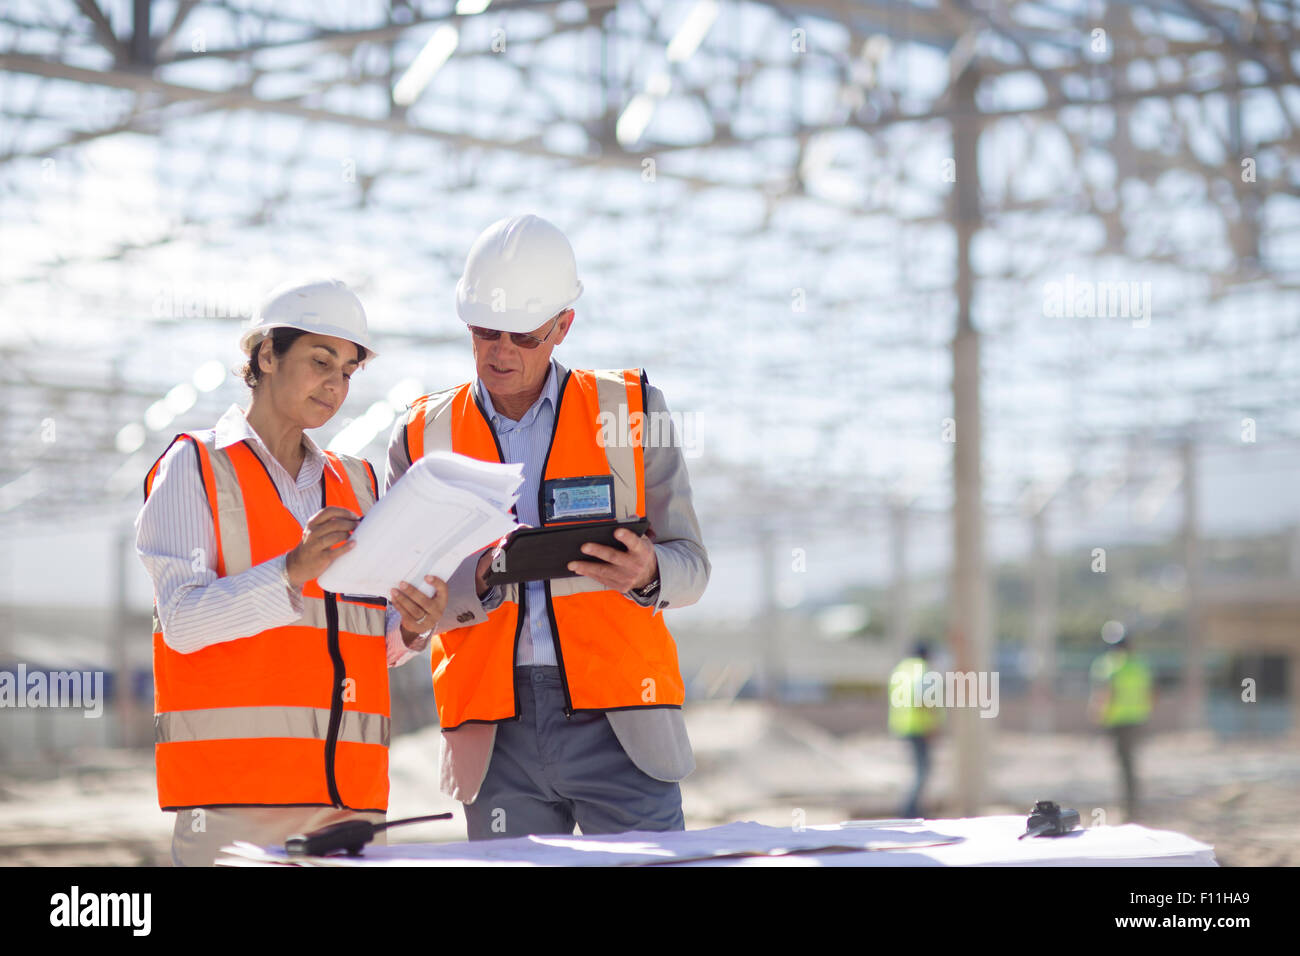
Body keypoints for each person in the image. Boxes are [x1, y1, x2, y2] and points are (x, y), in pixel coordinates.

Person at [386, 214, 710, 839]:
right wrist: (478, 580)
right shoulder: (421, 436)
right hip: (493, 734)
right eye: (485, 332)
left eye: (524, 336)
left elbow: (692, 567)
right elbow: (403, 603)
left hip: (623, 726)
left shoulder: (631, 410)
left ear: (563, 326)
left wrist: (649, 571)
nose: (501, 351)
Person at [136, 278, 447, 866]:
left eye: (348, 371)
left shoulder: (358, 483)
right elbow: (181, 622)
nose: (335, 385)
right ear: (266, 356)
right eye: (320, 361)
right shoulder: (195, 467)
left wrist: (411, 628)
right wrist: (288, 571)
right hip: (235, 803)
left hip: (351, 802)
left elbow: (360, 638)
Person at [1088, 633, 1153, 821]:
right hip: (1137, 719)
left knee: (1123, 764)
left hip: (1117, 720)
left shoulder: (1109, 665)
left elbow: (1105, 693)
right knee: (1130, 763)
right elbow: (1150, 692)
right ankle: (1132, 803)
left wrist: (1097, 712)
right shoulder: (1140, 665)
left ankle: (1128, 806)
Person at [888, 641, 943, 819]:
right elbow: (923, 700)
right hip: (919, 727)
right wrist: (931, 725)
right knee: (923, 770)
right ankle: (910, 810)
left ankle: (911, 809)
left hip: (902, 725)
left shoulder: (902, 669)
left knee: (917, 770)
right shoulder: (923, 670)